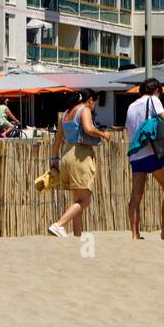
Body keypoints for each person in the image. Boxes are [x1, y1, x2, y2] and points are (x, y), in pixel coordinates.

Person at [48, 89, 108, 238]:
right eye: (95, 103)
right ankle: (59, 224)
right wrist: (103, 134)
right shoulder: (84, 110)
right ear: (90, 100)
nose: (94, 107)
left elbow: (57, 140)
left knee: (77, 201)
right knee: (85, 200)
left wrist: (54, 160)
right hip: (80, 155)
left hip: (66, 155)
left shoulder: (65, 115)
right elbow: (88, 129)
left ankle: (77, 236)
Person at [125, 78, 164, 241]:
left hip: (136, 154)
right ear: (156, 91)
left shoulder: (131, 106)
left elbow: (129, 130)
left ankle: (135, 234)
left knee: (136, 194)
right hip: (151, 152)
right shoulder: (153, 100)